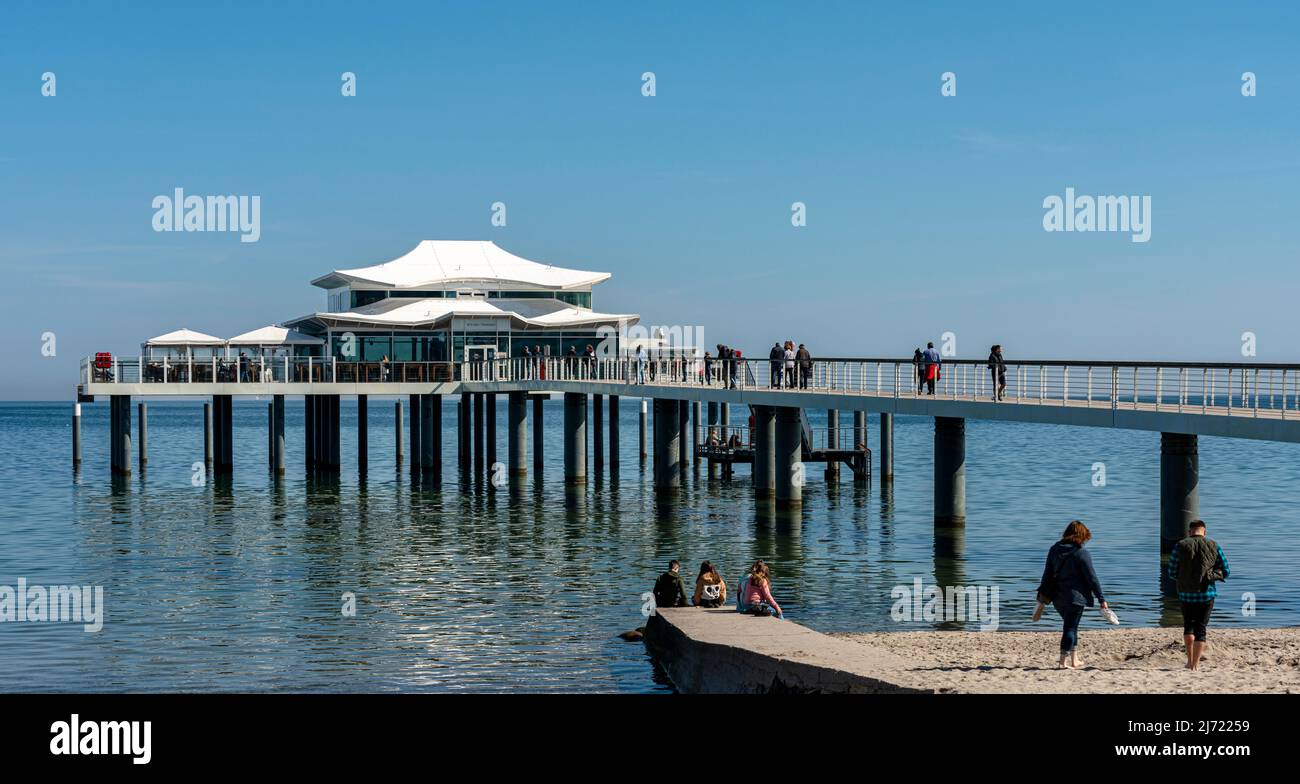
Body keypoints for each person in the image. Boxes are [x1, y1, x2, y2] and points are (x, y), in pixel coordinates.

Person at [1036, 520, 1108, 669]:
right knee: (1069, 628)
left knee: (1072, 626)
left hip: (1057, 597)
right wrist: (1101, 599)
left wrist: (1041, 597)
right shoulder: (1081, 554)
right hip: (1076, 598)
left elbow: (1047, 574)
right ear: (1081, 536)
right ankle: (1063, 662)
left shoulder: (1054, 549)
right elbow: (1092, 578)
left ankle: (1075, 660)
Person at [1168, 520, 1230, 671]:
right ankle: (1195, 665)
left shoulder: (1180, 545)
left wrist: (1184, 579)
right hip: (1206, 594)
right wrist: (1210, 575)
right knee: (1201, 629)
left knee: (1188, 626)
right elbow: (1226, 570)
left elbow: (1171, 571)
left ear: (1190, 531)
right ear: (1204, 531)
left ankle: (1189, 661)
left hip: (1185, 594)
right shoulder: (1214, 545)